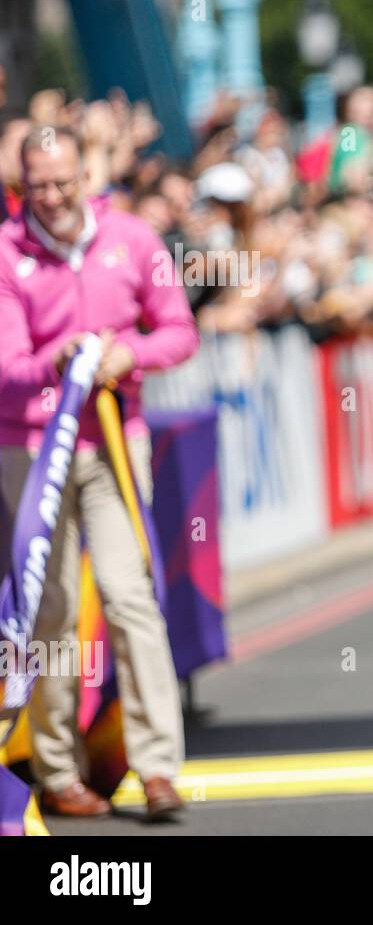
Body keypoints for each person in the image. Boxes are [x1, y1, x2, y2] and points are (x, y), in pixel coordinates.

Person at [0, 126, 199, 820]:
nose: (51, 197)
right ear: (22, 183)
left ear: (86, 176)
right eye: (38, 185)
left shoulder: (134, 239)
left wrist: (128, 356)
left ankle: (157, 766)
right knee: (48, 609)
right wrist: (57, 361)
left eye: (63, 182)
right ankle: (56, 768)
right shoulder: (5, 252)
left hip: (116, 440)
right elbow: (4, 366)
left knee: (128, 595)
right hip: (30, 448)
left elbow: (180, 331)